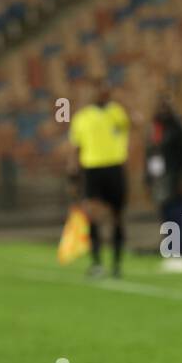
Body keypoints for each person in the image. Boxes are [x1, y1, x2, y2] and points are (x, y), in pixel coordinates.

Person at [68, 82, 129, 278]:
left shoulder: (117, 112)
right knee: (93, 216)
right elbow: (76, 147)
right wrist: (73, 174)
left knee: (117, 216)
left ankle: (117, 264)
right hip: (92, 168)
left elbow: (135, 124)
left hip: (114, 167)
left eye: (105, 90)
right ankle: (97, 263)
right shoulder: (82, 117)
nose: (102, 93)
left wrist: (124, 104)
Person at [147, 94, 182, 273]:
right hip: (160, 178)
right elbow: (150, 153)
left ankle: (180, 252)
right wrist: (148, 177)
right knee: (165, 213)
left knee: (177, 214)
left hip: (174, 176)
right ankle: (169, 250)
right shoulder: (156, 128)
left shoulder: (177, 128)